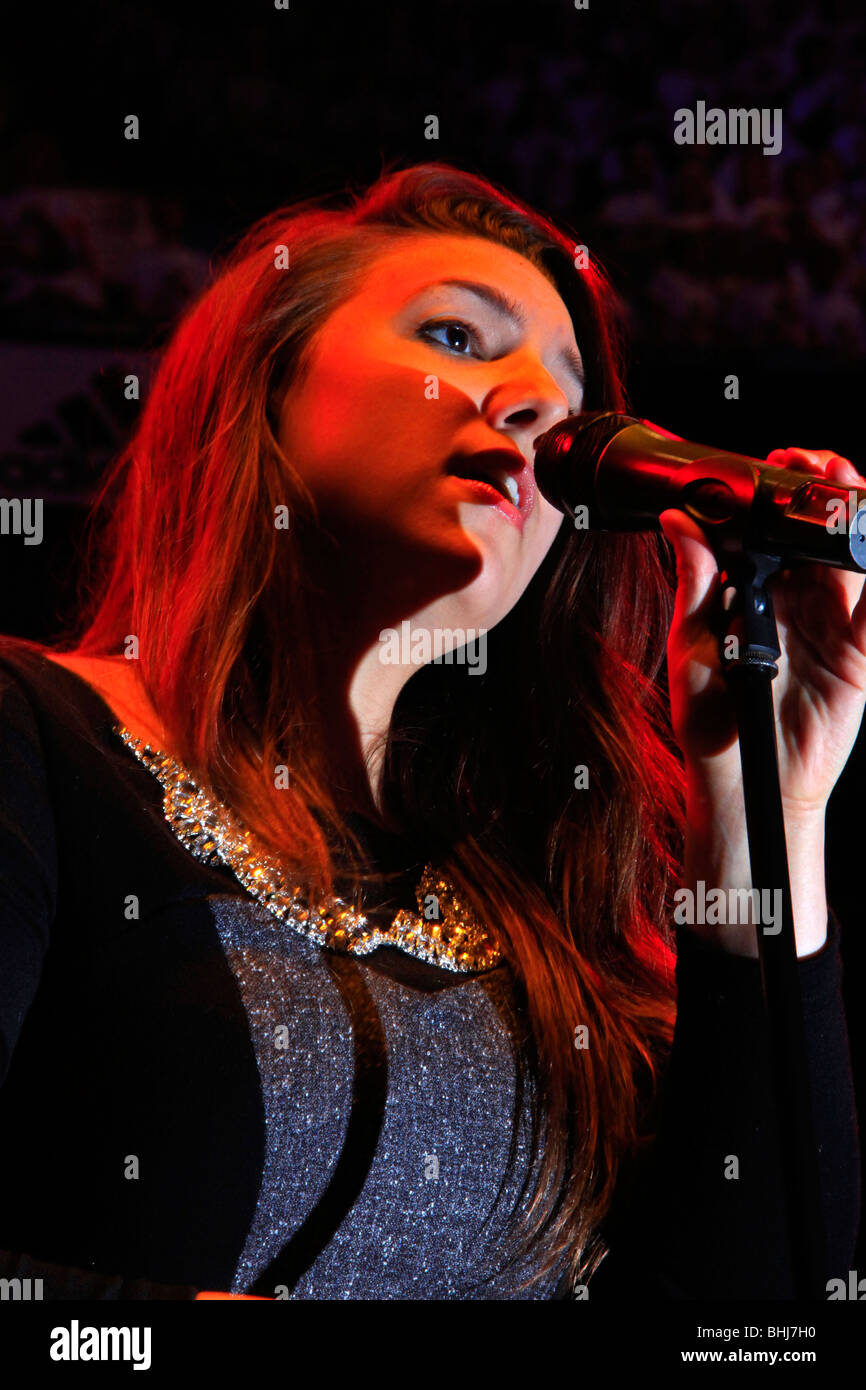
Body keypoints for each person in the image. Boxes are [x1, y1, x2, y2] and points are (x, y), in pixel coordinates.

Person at [0, 162, 860, 1301]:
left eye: (566, 400)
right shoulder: (36, 744)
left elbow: (749, 1312)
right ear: (266, 386)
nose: (534, 410)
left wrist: (766, 811)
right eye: (457, 336)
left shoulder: (529, 885)